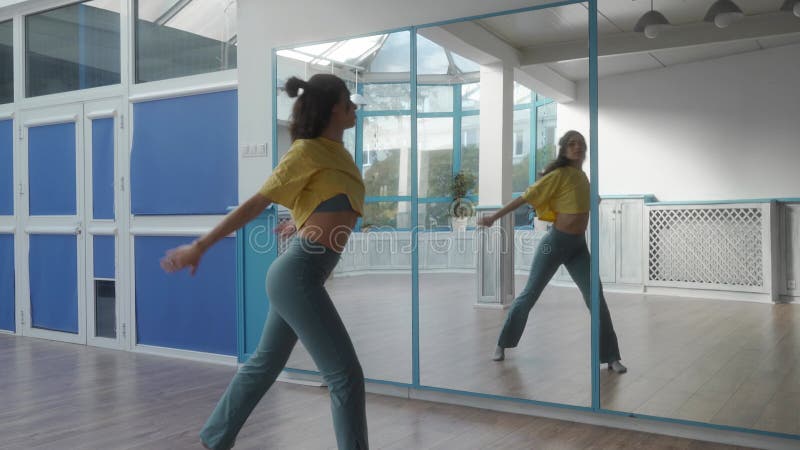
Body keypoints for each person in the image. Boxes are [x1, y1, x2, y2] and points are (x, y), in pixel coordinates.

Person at [161, 74, 369, 449]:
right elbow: (258, 202)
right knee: (345, 376)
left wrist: (300, 219)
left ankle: (214, 438)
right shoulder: (305, 151)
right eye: (349, 101)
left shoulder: (339, 155)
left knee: (263, 365)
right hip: (298, 274)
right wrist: (201, 246)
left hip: (305, 273)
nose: (354, 107)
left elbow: (328, 198)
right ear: (333, 107)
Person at [478, 130, 627, 374]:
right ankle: (502, 344)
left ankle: (611, 357)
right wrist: (493, 217)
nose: (577, 147)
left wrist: (590, 196)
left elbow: (591, 201)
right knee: (530, 294)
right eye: (571, 144)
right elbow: (525, 198)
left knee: (596, 299)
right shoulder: (559, 174)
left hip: (578, 246)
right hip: (554, 244)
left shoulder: (582, 176)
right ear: (564, 150)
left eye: (580, 144)